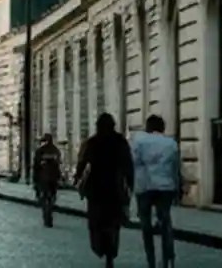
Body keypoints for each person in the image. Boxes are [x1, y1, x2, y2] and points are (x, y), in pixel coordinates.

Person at [73, 113, 134, 267]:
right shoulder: (120, 141)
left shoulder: (92, 142)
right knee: (114, 222)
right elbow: (128, 165)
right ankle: (111, 250)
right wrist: (130, 184)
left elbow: (82, 162)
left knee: (95, 222)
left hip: (96, 189)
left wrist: (77, 178)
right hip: (115, 187)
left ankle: (101, 247)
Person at [132, 115, 181, 268]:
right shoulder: (171, 144)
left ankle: (151, 260)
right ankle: (168, 257)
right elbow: (176, 168)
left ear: (148, 127)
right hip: (166, 186)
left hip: (145, 186)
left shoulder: (139, 141)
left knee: (146, 225)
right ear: (162, 128)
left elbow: (133, 162)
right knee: (165, 219)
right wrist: (177, 187)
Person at [33, 132, 63, 227]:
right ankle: (49, 210)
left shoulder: (40, 151)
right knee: (52, 196)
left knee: (44, 196)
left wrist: (35, 179)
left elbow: (36, 166)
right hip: (53, 178)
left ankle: (46, 215)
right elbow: (58, 164)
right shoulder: (56, 150)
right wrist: (59, 177)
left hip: (43, 178)